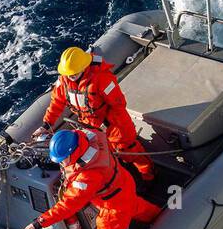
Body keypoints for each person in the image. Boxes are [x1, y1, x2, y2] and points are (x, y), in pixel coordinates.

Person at [19, 128, 161, 229]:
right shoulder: (91, 136)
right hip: (124, 184)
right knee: (138, 206)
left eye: (62, 160)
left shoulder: (87, 177)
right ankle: (161, 216)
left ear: (71, 153)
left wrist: (38, 223)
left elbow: (67, 205)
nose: (61, 163)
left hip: (114, 206)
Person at [31, 46, 155, 181]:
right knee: (104, 156)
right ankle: (120, 177)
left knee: (131, 152)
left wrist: (106, 126)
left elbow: (118, 106)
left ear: (84, 67)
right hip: (89, 126)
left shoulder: (102, 79)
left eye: (73, 73)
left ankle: (149, 177)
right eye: (68, 74)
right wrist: (46, 124)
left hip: (115, 126)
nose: (70, 77)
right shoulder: (64, 82)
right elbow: (56, 104)